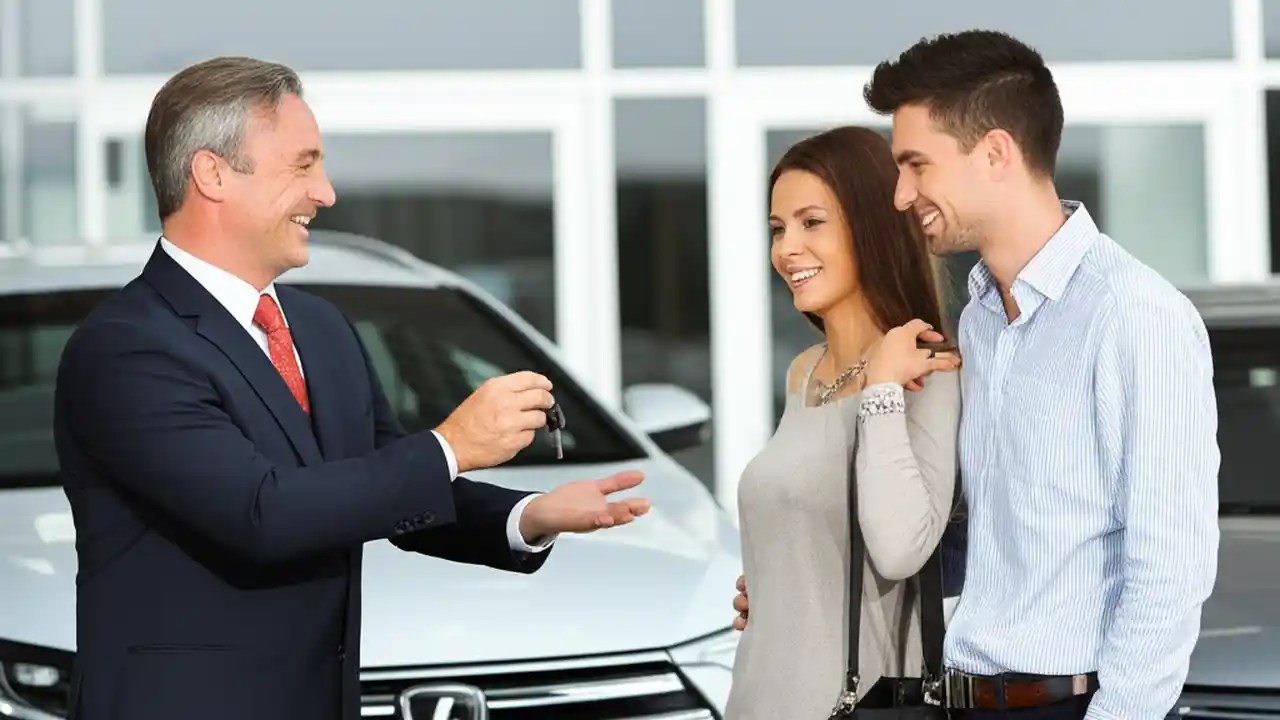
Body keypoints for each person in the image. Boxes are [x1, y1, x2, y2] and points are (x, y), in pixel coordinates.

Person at [53, 56, 650, 720]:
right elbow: (262, 514)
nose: (326, 193)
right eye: (303, 165)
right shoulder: (126, 348)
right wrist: (452, 444)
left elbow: (386, 484)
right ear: (212, 173)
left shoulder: (320, 328)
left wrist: (526, 517)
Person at [734, 30, 1221, 720]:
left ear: (995, 153)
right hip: (966, 698)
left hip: (1071, 706)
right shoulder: (981, 321)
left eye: (916, 165)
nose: (901, 195)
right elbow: (967, 534)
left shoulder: (1134, 317)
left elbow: (1171, 568)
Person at [723, 126, 962, 719]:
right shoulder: (804, 374)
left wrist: (880, 389)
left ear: (871, 227)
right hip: (759, 696)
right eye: (778, 229)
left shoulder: (929, 371)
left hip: (850, 706)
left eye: (811, 222)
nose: (786, 250)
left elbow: (901, 548)